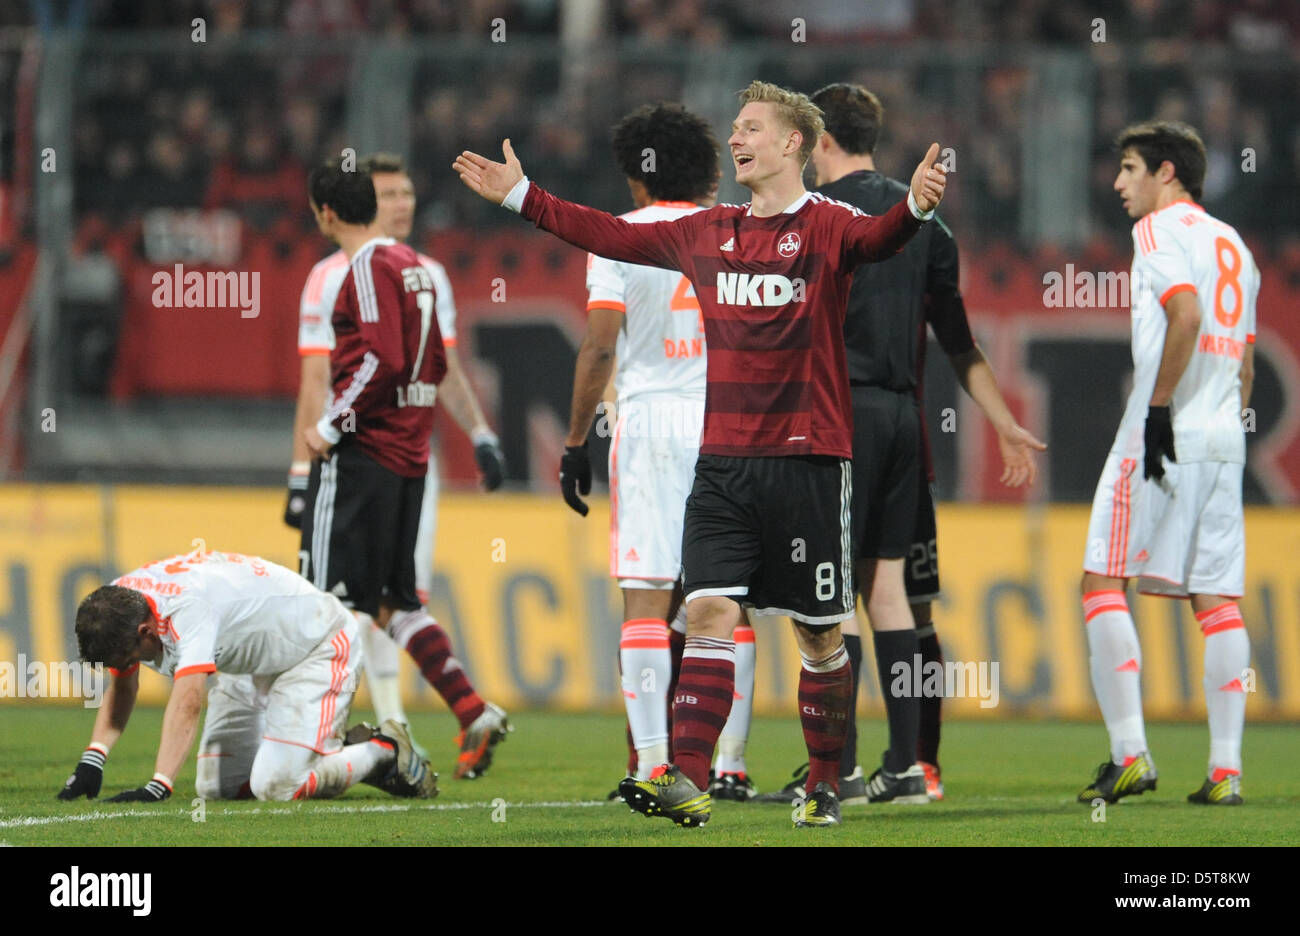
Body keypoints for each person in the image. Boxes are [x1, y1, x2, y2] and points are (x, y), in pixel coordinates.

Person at [455, 79, 948, 828]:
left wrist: (914, 205)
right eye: (734, 129)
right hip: (723, 465)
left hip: (811, 462)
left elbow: (882, 240)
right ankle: (683, 777)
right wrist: (524, 195)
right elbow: (608, 234)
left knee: (819, 634)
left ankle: (822, 782)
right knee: (710, 607)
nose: (736, 140)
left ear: (794, 144)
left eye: (751, 128)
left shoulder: (828, 225)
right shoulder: (707, 232)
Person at [755, 83, 1045, 806]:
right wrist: (1002, 418)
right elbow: (960, 344)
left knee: (830, 594)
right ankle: (909, 765)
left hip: (837, 416)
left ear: (817, 139)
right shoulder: (930, 227)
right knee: (892, 593)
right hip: (904, 424)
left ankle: (842, 769)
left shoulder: (814, 218)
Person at [558, 103, 759, 799]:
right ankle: (727, 766)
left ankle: (649, 765)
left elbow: (600, 345)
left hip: (648, 424)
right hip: (729, 424)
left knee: (645, 601)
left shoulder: (618, 237)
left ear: (638, 178)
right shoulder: (730, 229)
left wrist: (576, 440)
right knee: (725, 600)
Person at [287, 153, 505, 765]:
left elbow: (376, 363)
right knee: (396, 600)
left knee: (324, 601)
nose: (403, 202)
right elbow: (434, 363)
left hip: (364, 456)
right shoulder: (418, 269)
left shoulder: (360, 269)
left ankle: (315, 739)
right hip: (411, 455)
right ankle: (468, 709)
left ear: (326, 214)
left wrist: (329, 429)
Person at [1077, 121, 1257, 806]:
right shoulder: (1235, 244)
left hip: (1162, 432)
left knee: (1101, 580)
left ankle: (1130, 754)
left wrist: (1154, 413)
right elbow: (1241, 362)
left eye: (1129, 168)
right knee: (1216, 599)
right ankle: (1225, 770)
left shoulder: (1158, 231)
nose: (1120, 183)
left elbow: (1183, 316)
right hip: (1221, 437)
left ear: (1167, 173)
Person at [56, 550, 436, 803]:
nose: (126, 666)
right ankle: (309, 747)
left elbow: (188, 700)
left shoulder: (190, 609)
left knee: (275, 786)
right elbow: (123, 683)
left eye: (129, 656)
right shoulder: (123, 602)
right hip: (249, 659)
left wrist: (159, 785)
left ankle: (383, 753)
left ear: (146, 632)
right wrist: (93, 759)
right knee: (216, 787)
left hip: (315, 647)